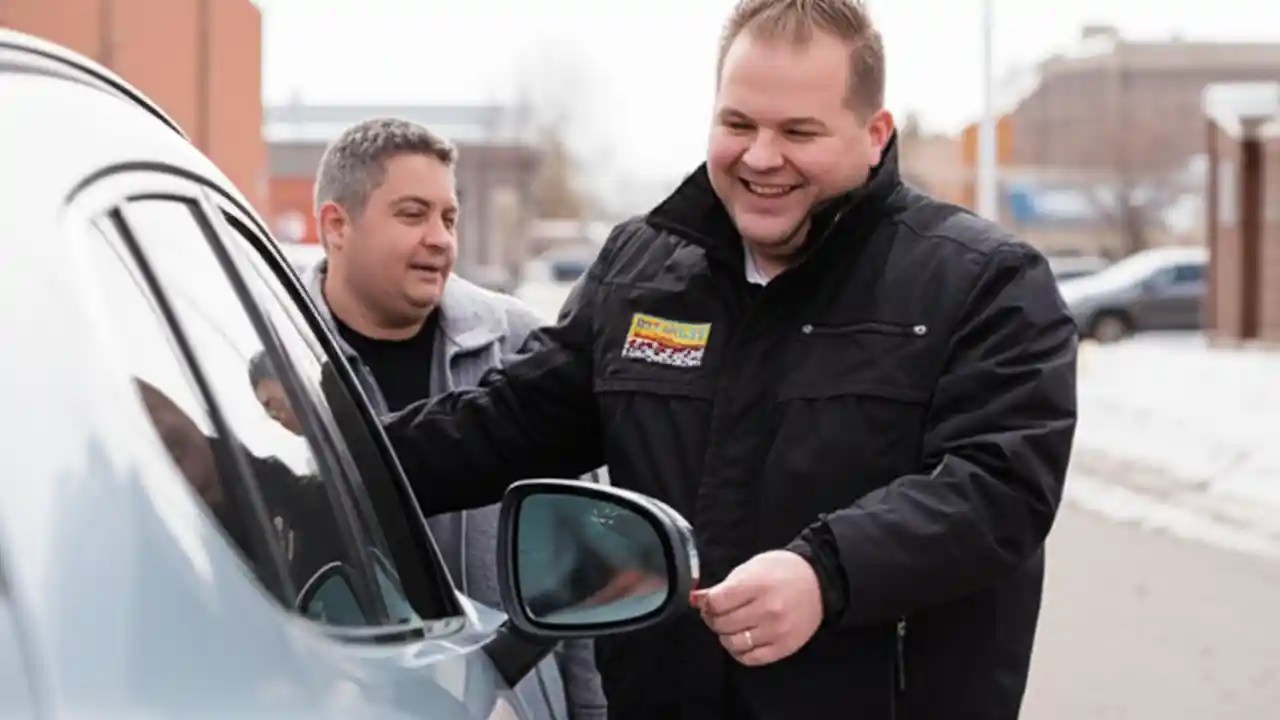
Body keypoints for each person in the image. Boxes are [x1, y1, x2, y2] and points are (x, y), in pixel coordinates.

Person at [380, 1, 1079, 718]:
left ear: (875, 135)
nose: (761, 157)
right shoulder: (642, 270)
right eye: (738, 124)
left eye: (798, 131)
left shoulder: (982, 283)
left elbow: (998, 487)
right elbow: (508, 421)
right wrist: (319, 462)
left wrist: (827, 574)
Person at [303, 117, 605, 720]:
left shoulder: (520, 345)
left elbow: (582, 563)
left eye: (448, 217)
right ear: (337, 226)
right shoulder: (278, 359)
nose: (440, 238)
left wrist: (591, 712)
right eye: (413, 215)